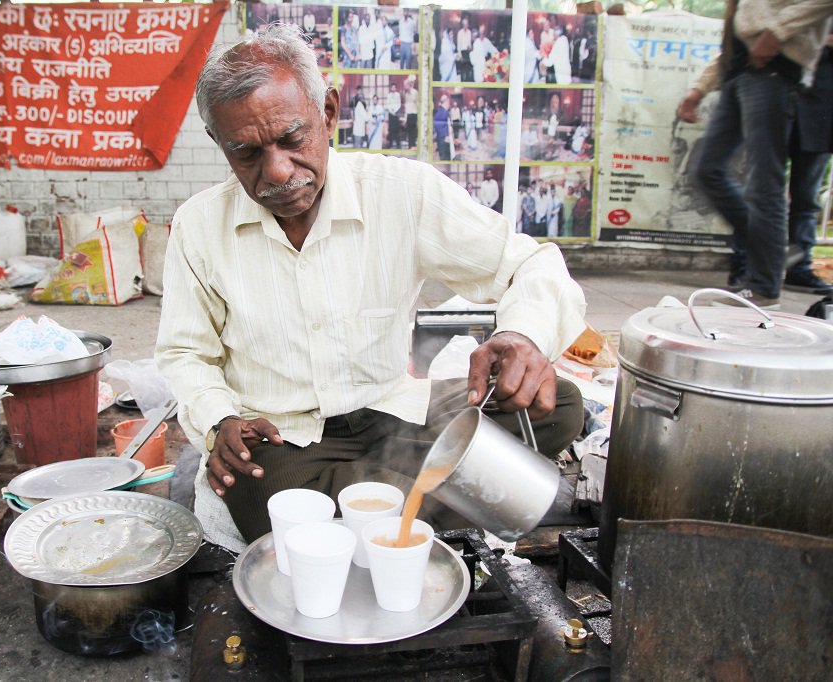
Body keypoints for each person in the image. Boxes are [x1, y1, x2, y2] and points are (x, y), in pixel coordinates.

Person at [155, 24, 587, 550]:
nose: (278, 171)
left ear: (329, 111)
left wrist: (523, 337)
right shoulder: (200, 226)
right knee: (260, 499)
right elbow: (184, 351)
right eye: (246, 152)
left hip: (394, 414)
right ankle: (439, 496)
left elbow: (532, 263)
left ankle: (360, 512)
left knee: (559, 403)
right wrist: (217, 418)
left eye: (293, 139)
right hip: (281, 436)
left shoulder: (402, 192)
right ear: (219, 144)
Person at [675, 0, 833, 309]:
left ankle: (763, 287)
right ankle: (775, 249)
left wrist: (777, 32)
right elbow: (738, 35)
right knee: (706, 170)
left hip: (775, 69)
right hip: (738, 72)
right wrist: (699, 89)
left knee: (765, 185)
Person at [785, 38, 833, 294]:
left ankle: (798, 268)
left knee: (805, 200)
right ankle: (748, 267)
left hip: (820, 114)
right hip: (779, 101)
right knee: (761, 194)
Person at [433, 93, 452, 160]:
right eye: (448, 102)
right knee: (445, 157)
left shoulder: (443, 111)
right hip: (443, 139)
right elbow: (438, 125)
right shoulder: (442, 112)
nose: (449, 104)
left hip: (443, 138)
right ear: (446, 102)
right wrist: (445, 136)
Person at [457, 15, 473, 83]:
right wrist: (460, 55)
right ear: (462, 25)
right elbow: (458, 45)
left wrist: (470, 48)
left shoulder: (469, 32)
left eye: (466, 24)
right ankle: (462, 81)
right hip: (462, 53)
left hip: (468, 53)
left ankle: (467, 81)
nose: (465, 26)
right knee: (462, 70)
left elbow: (469, 43)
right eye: (464, 24)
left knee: (468, 69)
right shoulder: (459, 33)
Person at [386, 82, 403, 149]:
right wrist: (391, 111)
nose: (393, 88)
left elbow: (399, 104)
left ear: (396, 88)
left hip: (396, 114)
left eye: (394, 87)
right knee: (391, 130)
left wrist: (395, 111)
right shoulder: (389, 95)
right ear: (391, 88)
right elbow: (388, 104)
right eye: (392, 87)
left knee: (397, 130)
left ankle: (398, 145)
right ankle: (390, 144)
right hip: (391, 114)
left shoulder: (398, 95)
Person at [404, 76, 419, 148]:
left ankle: (413, 145)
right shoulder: (406, 94)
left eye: (406, 85)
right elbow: (406, 106)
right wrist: (405, 117)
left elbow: (418, 103)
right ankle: (410, 146)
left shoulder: (415, 92)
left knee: (414, 131)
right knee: (409, 131)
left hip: (414, 114)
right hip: (409, 114)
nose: (405, 87)